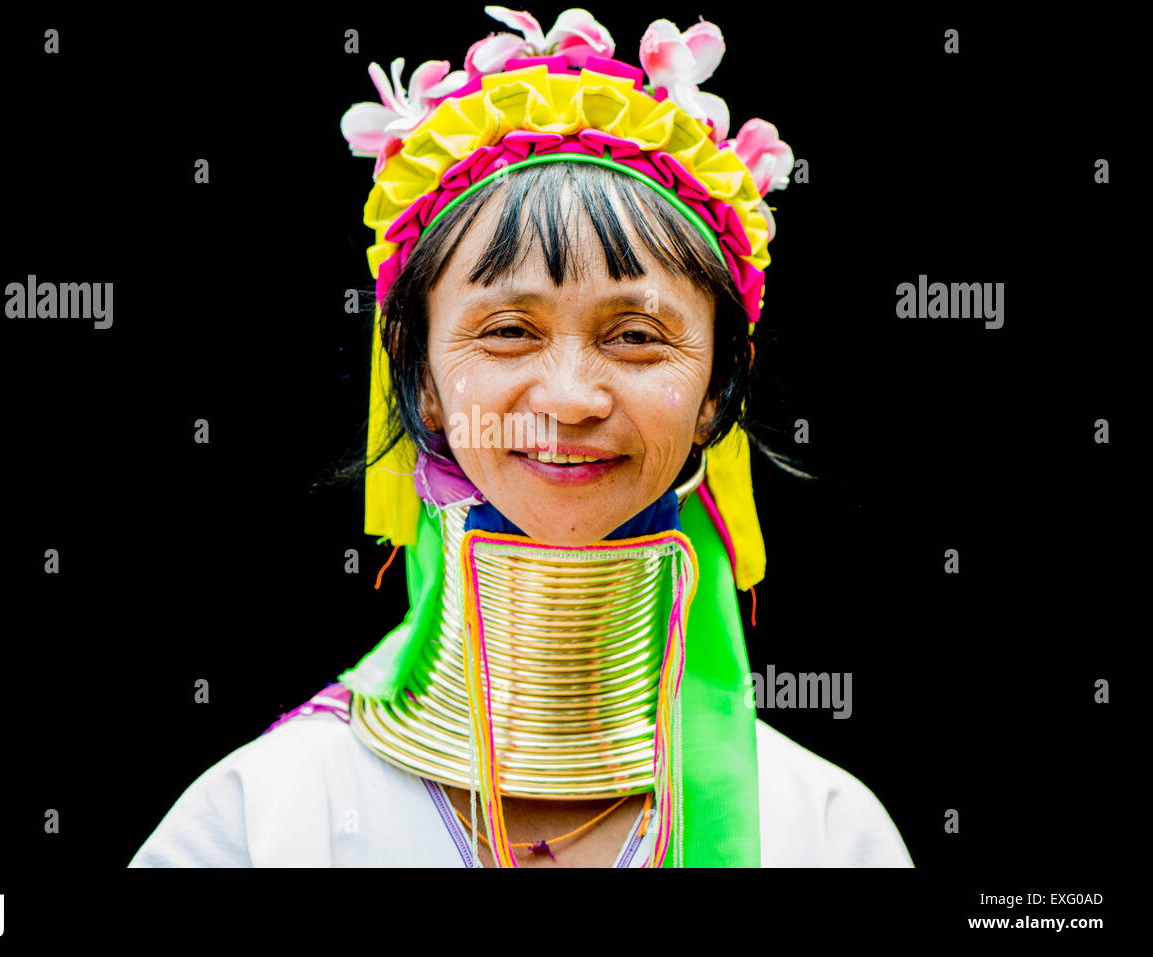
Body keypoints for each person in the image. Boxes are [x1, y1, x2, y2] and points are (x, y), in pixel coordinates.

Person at [130, 7, 912, 868]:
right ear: (421, 378)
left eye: (636, 336)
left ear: (719, 387)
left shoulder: (827, 834)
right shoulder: (265, 822)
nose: (571, 399)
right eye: (508, 331)